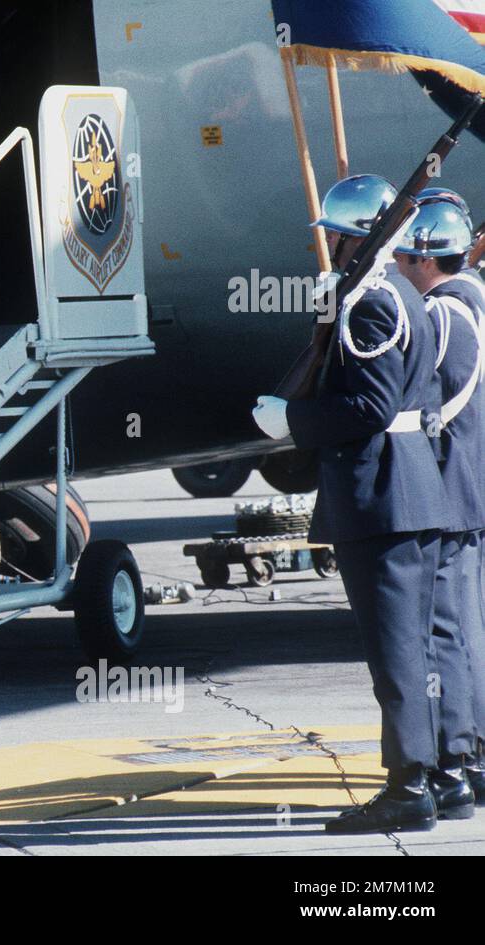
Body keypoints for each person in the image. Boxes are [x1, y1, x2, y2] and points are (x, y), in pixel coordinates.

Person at [253, 174, 448, 834]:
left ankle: (409, 786)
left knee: (394, 652)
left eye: (335, 236)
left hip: (382, 495)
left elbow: (371, 406)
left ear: (351, 238)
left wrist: (293, 418)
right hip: (409, 492)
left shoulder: (370, 304)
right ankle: (429, 774)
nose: (329, 246)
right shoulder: (403, 296)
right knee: (412, 650)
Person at [395, 192, 485, 815]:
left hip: (451, 488)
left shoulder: (446, 314)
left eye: (401, 253)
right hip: (469, 486)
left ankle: (462, 757)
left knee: (450, 634)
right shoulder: (471, 298)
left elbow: (427, 403)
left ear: (424, 257)